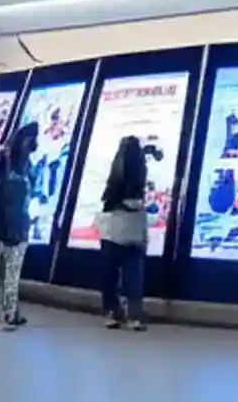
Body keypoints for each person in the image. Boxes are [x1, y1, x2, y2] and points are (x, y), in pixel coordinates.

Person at [0, 121, 39, 330]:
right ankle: (10, 311)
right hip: (16, 223)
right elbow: (29, 194)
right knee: (11, 270)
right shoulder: (25, 165)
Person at [98, 136, 149, 331]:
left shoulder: (115, 176)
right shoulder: (139, 175)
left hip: (112, 225)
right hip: (134, 226)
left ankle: (111, 312)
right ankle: (134, 315)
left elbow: (108, 201)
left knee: (110, 271)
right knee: (134, 271)